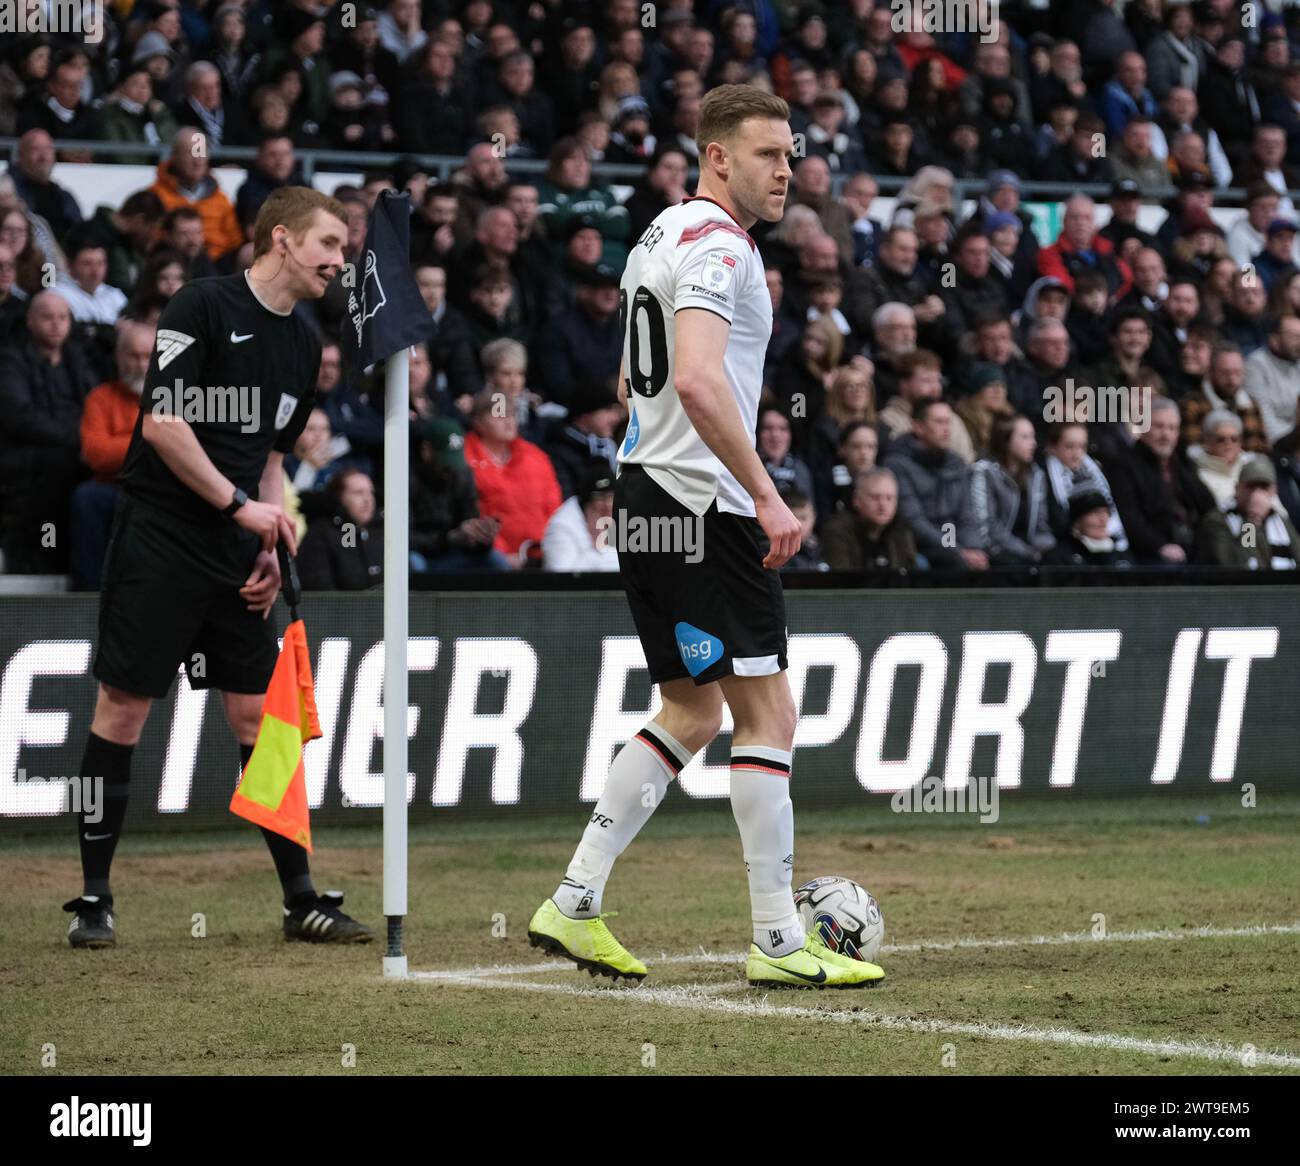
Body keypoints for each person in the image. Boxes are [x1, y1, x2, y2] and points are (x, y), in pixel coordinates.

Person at [528, 84, 883, 990]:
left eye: (793, 155)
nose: (788, 172)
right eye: (769, 155)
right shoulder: (724, 248)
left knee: (693, 709)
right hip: (701, 501)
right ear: (717, 155)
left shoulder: (659, 233)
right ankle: (776, 938)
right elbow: (694, 379)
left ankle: (573, 902)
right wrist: (764, 494)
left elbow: (628, 375)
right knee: (768, 713)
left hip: (643, 491)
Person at [62, 187, 373, 950]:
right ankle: (94, 898)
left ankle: (301, 898)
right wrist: (242, 510)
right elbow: (164, 426)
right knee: (124, 710)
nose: (340, 260)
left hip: (238, 552)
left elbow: (270, 462)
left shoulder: (303, 345)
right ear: (282, 241)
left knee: (260, 721)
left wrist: (266, 544)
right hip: (161, 538)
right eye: (329, 244)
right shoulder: (198, 306)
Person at [969, 414, 1056, 565]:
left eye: (1033, 437)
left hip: (1029, 551)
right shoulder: (985, 471)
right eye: (1025, 437)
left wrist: (1047, 549)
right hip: (996, 551)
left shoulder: (1036, 475)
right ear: (1006, 440)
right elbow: (988, 526)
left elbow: (1041, 526)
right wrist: (1028, 553)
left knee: (1061, 561)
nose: (1033, 443)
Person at [1199, 459, 1300, 569]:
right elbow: (1241, 566)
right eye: (1251, 487)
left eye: (1263, 487)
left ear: (1273, 492)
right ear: (1237, 489)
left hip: (1279, 585)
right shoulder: (1217, 520)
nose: (1256, 494)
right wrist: (1250, 522)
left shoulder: (1280, 521)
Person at [296, 468, 383, 590]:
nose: (367, 499)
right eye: (358, 492)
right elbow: (319, 587)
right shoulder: (321, 533)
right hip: (340, 608)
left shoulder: (382, 530)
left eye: (371, 492)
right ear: (339, 497)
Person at [821, 467, 917, 571]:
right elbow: (841, 580)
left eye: (889, 498)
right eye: (875, 498)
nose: (883, 505)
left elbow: (909, 577)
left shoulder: (902, 529)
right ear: (856, 500)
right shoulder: (837, 531)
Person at [542, 467, 619, 572]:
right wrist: (599, 551)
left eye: (611, 496)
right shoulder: (561, 527)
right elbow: (563, 580)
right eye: (600, 498)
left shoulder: (620, 515)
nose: (608, 505)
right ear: (586, 503)